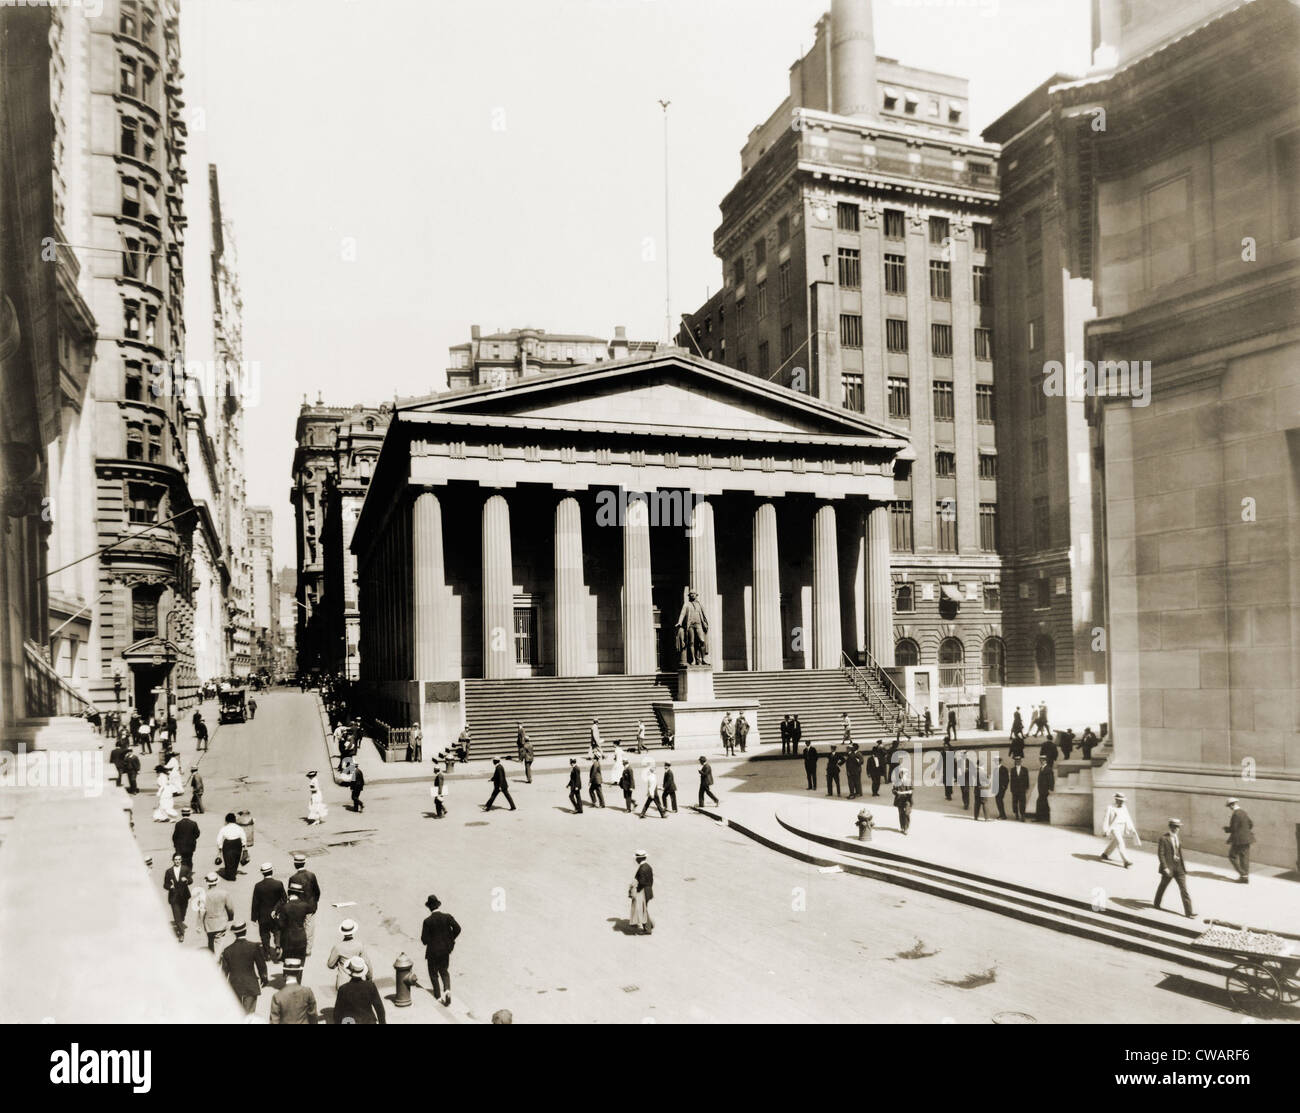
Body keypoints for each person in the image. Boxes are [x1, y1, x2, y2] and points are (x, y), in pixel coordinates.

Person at [420, 894, 461, 1007]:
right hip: (445, 951)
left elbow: (424, 940)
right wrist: (450, 939)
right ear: (438, 905)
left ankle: (438, 997)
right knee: (444, 971)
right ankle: (447, 990)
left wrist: (431, 940)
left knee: (433, 974)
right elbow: (458, 928)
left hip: (432, 952)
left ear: (429, 907)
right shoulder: (447, 917)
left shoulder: (427, 921)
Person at [220, 922, 268, 1015]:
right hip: (250, 985)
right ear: (245, 931)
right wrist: (264, 978)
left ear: (234, 933)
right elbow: (261, 965)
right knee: (249, 1015)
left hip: (234, 986)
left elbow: (224, 972)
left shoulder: (227, 950)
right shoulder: (253, 947)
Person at [1154, 818, 1196, 918]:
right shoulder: (1163, 838)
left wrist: (1183, 867)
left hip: (1179, 868)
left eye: (1178, 827)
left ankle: (1189, 912)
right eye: (1175, 827)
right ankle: (1156, 903)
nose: (1177, 829)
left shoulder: (1178, 837)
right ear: (1170, 827)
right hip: (1169, 868)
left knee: (1184, 889)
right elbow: (1161, 854)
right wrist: (1165, 867)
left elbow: (1179, 852)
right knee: (1163, 886)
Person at [333, 957, 386, 1024]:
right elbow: (380, 1009)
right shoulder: (370, 986)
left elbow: (337, 1013)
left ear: (349, 971)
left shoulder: (343, 989)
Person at [250, 862, 286, 961]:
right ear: (272, 871)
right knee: (277, 931)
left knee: (264, 934)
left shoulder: (258, 886)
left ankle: (267, 953)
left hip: (263, 916)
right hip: (276, 915)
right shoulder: (278, 884)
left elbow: (255, 902)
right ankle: (278, 946)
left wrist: (254, 918)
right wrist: (276, 909)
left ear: (262, 873)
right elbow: (284, 899)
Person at [289, 853, 322, 956]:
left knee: (299, 927)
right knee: (309, 928)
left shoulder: (293, 878)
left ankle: (299, 947)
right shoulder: (311, 875)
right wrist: (314, 902)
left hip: (298, 907)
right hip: (310, 907)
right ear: (304, 863)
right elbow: (317, 891)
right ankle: (307, 949)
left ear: (295, 864)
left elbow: (290, 895)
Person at [326, 920, 375, 990]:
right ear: (353, 931)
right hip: (357, 981)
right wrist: (369, 978)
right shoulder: (359, 945)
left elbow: (330, 965)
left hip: (342, 982)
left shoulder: (338, 947)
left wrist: (337, 963)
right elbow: (367, 963)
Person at [276, 881, 315, 964]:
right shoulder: (305, 906)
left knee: (287, 962)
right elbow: (309, 925)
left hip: (287, 940)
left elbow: (280, 925)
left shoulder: (284, 907)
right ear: (300, 894)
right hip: (301, 939)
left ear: (289, 893)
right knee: (301, 962)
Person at [270, 957, 318, 1024]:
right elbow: (313, 1015)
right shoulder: (307, 991)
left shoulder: (277, 996)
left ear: (284, 973)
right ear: (298, 973)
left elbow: (274, 1021)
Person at [1099, 793, 1138, 868]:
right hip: (1114, 827)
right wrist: (1105, 830)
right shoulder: (1110, 807)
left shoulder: (1124, 807)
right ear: (1116, 800)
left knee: (1116, 841)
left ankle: (1105, 854)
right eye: (1120, 800)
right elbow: (1106, 819)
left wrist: (1132, 828)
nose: (1122, 802)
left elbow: (1128, 818)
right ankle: (1126, 861)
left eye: (1123, 801)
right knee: (1121, 842)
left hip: (1122, 827)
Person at [200, 873, 235, 952]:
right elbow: (230, 908)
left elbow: (201, 911)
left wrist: (200, 924)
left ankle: (212, 957)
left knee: (211, 941)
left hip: (209, 923)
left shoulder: (203, 895)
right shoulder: (224, 893)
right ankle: (216, 960)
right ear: (217, 882)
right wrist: (230, 918)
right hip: (221, 923)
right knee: (219, 944)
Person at [1224, 798, 1255, 883]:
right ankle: (1245, 877)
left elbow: (1233, 828)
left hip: (1239, 840)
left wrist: (1226, 829)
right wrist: (1245, 831)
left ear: (1232, 805)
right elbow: (1251, 824)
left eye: (1229, 806)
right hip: (1247, 838)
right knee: (1244, 857)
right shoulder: (1243, 812)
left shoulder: (1236, 814)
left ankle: (1243, 874)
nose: (1229, 808)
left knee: (1232, 856)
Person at [163, 854, 192, 942]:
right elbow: (165, 884)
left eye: (179, 859)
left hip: (184, 896)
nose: (177, 861)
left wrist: (186, 880)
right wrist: (170, 887)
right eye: (175, 859)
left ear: (181, 860)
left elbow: (191, 880)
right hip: (174, 897)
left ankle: (180, 921)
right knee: (177, 917)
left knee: (182, 915)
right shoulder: (169, 871)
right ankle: (181, 934)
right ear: (173, 860)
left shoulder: (185, 869)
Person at [629, 851, 654, 935]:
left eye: (636, 858)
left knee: (642, 909)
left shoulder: (642, 868)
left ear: (640, 859)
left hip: (643, 891)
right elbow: (651, 880)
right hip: (649, 890)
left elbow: (642, 882)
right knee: (644, 908)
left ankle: (647, 929)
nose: (635, 859)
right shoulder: (648, 866)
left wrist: (637, 890)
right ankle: (650, 924)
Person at [216, 812, 245, 881]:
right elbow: (243, 837)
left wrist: (220, 847)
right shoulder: (239, 828)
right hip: (237, 843)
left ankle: (230, 875)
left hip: (228, 844)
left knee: (228, 860)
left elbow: (219, 839)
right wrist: (244, 846)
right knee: (236, 859)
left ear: (227, 820)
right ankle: (233, 873)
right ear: (235, 820)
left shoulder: (224, 828)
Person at [892, 761, 914, 835]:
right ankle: (902, 827)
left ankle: (906, 828)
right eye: (902, 773)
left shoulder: (909, 781)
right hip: (899, 800)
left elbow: (911, 790)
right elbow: (893, 790)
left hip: (907, 800)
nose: (903, 775)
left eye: (904, 773)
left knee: (907, 813)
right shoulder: (896, 782)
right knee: (901, 813)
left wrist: (909, 792)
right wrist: (896, 792)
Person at [1009, 756, 1030, 822]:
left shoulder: (1025, 769)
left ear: (1021, 761)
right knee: (1015, 802)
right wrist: (1011, 789)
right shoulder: (1012, 770)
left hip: (1022, 789)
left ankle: (1022, 815)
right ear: (1015, 761)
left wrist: (1027, 787)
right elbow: (1011, 780)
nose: (1017, 762)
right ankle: (1016, 813)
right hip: (1015, 789)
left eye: (1019, 760)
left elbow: (1027, 779)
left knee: (1022, 802)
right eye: (1016, 760)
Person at [1034, 756, 1054, 822]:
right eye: (1041, 760)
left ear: (1046, 761)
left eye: (1043, 760)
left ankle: (1039, 818)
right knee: (1044, 803)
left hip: (1045, 789)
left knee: (1040, 802)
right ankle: (1046, 817)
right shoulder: (1041, 768)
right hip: (1041, 789)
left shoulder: (1048, 769)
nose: (1041, 761)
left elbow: (1051, 779)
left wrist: (1051, 788)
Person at [970, 754, 989, 821]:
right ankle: (986, 818)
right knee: (984, 803)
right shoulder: (984, 772)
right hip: (983, 789)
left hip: (977, 789)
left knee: (977, 803)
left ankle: (976, 817)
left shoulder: (974, 771)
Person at [994, 754, 1010, 820]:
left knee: (999, 800)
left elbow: (1007, 779)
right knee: (998, 801)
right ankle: (1001, 814)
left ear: (1000, 761)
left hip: (1001, 788)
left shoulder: (1004, 769)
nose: (996, 762)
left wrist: (1004, 787)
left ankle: (1003, 815)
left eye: (997, 761)